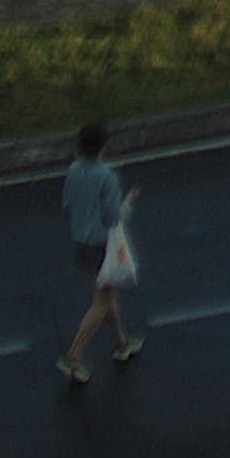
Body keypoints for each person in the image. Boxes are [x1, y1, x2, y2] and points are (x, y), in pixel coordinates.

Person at [57, 116, 144, 385]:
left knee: (107, 295)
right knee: (101, 302)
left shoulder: (73, 170)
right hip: (102, 245)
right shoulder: (107, 176)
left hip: (81, 242)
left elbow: (67, 203)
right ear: (104, 145)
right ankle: (73, 357)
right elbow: (113, 216)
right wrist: (129, 201)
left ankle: (123, 341)